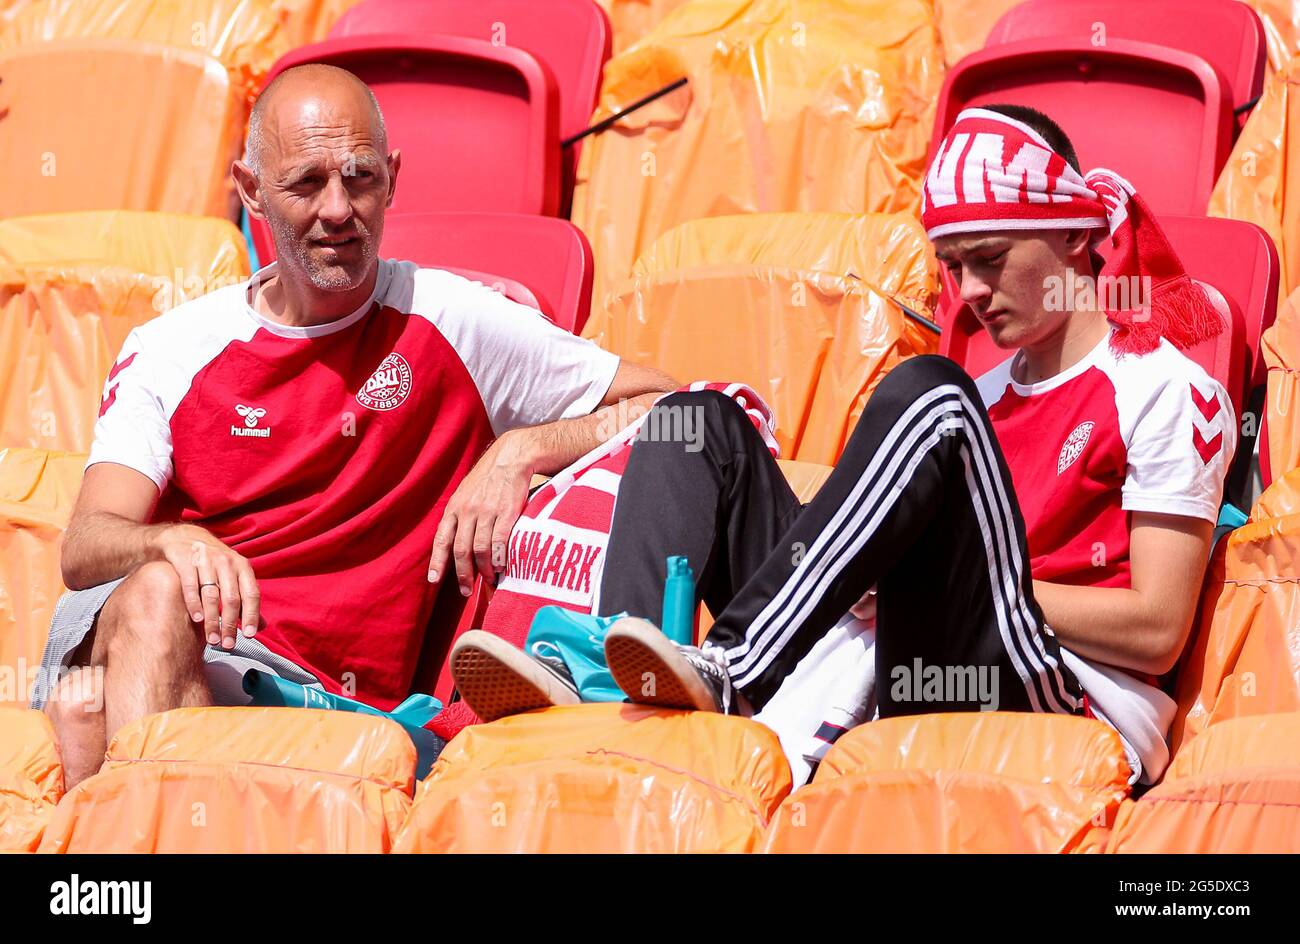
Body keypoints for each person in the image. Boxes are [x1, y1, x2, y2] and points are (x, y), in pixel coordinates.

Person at [451, 105, 1235, 784]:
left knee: (929, 390)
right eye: (954, 266)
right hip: (909, 649)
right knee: (695, 422)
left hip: (1064, 693)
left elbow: (1158, 630)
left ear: (1071, 236)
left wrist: (933, 587)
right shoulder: (987, 397)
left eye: (990, 261)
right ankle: (610, 691)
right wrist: (879, 577)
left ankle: (735, 665)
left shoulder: (1163, 390)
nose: (968, 293)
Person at [32, 63, 675, 789]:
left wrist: (523, 448)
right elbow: (85, 545)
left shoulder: (456, 320)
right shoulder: (172, 348)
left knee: (94, 710)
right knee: (143, 607)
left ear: (393, 179)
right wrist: (170, 540)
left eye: (360, 178)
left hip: (340, 704)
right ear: (250, 191)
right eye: (306, 183)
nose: (337, 209)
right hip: (187, 647)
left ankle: (125, 815)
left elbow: (676, 409)